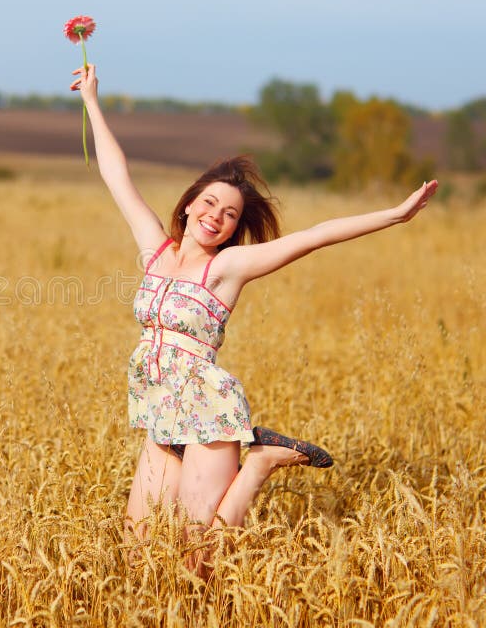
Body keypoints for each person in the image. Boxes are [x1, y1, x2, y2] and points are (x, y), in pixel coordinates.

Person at [69, 64, 438, 564]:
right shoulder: (155, 250)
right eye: (209, 203)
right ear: (188, 205)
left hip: (206, 412)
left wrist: (394, 214)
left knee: (195, 558)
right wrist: (91, 99)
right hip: (160, 412)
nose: (215, 217)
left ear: (235, 228)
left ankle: (258, 464)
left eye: (230, 214)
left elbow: (314, 236)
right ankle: (255, 462)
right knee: (137, 556)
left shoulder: (228, 268)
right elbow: (118, 176)